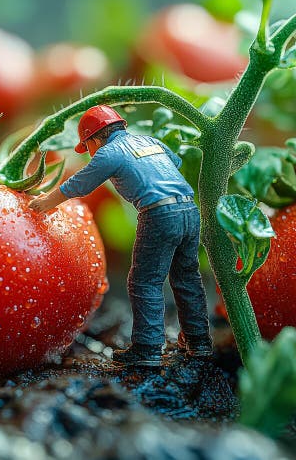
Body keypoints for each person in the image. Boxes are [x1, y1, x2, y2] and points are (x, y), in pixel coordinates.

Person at [28, 105, 212, 367]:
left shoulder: (109, 152)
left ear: (95, 138)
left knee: (144, 283)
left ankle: (147, 350)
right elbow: (176, 162)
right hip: (189, 211)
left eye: (87, 145)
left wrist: (46, 202)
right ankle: (199, 343)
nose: (89, 151)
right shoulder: (149, 141)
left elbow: (80, 184)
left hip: (159, 213)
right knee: (187, 279)